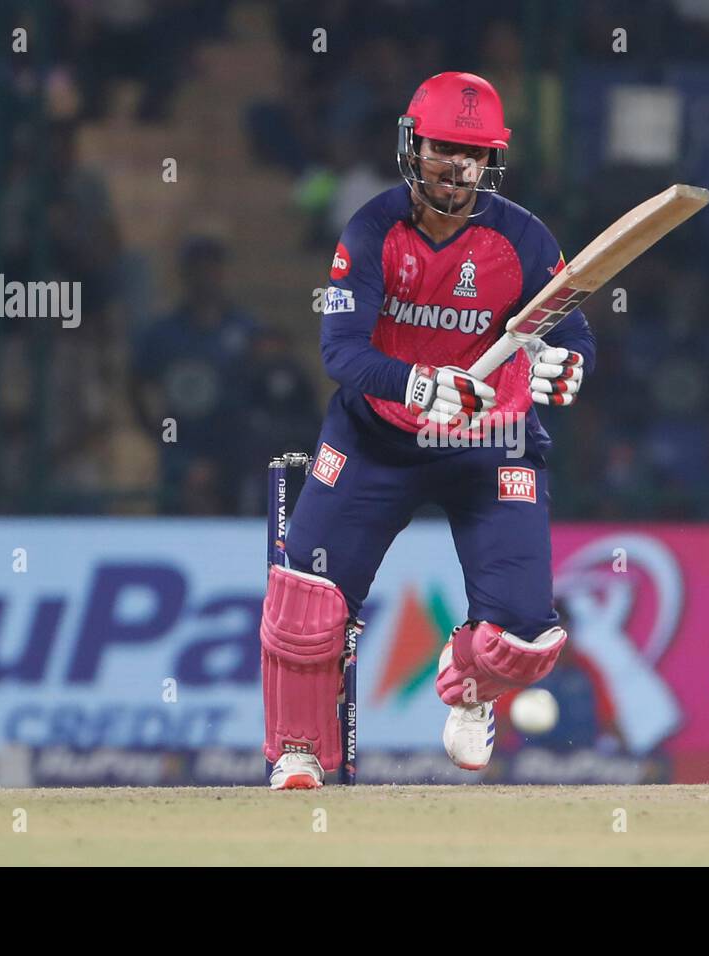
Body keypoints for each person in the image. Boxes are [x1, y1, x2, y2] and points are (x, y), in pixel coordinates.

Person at [261, 72, 596, 789]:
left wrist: (562, 368)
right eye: (445, 149)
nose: (459, 168)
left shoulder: (525, 239)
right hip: (378, 438)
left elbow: (571, 333)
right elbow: (341, 353)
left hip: (490, 441)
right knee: (306, 606)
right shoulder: (373, 229)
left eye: (474, 154)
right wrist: (420, 384)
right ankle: (297, 751)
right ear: (413, 145)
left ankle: (470, 685)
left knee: (526, 642)